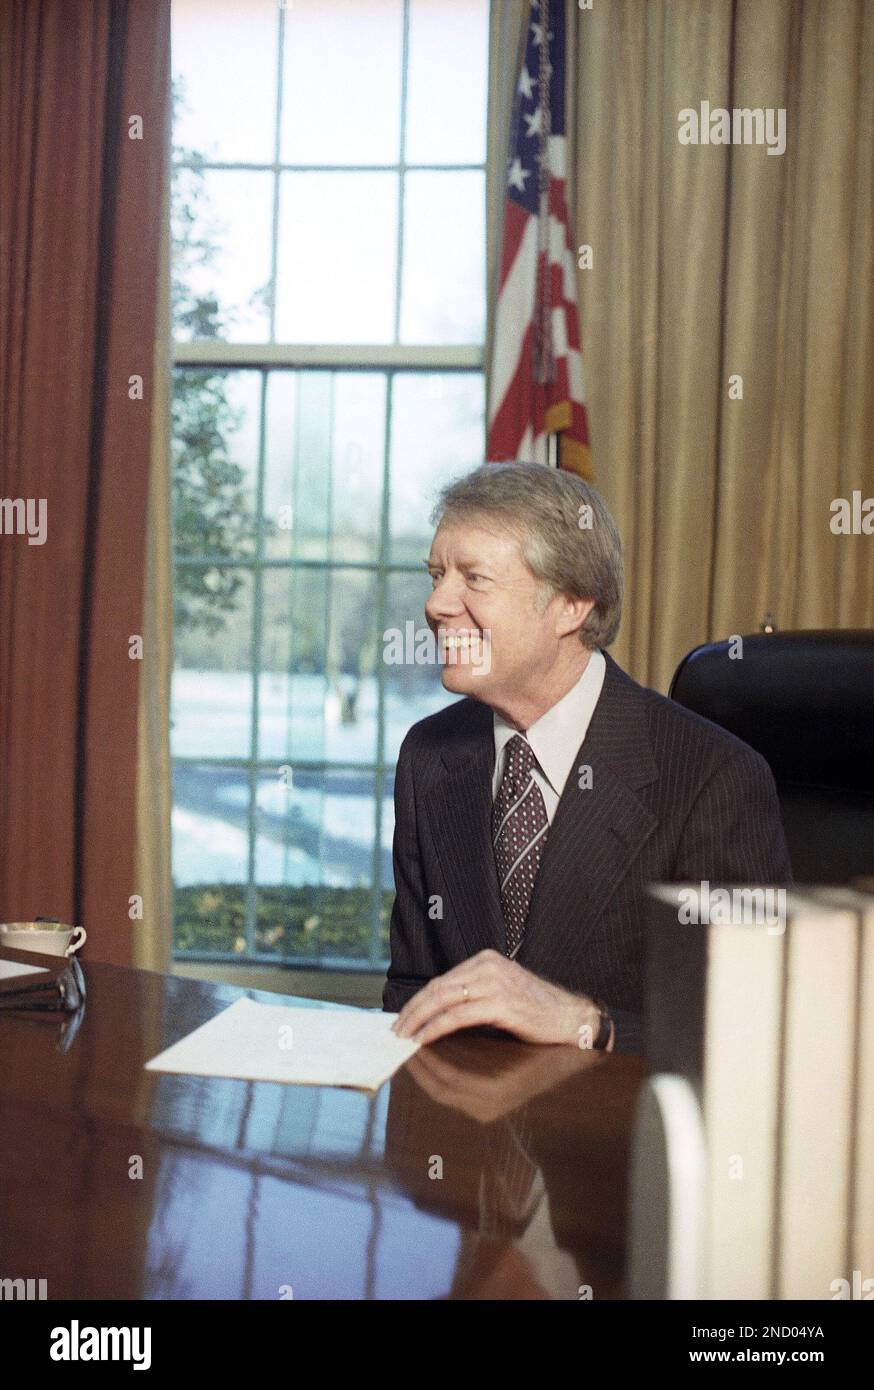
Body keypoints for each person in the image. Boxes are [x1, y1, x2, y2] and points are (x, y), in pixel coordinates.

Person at [384, 462, 791, 1050]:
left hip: (615, 1132)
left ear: (571, 605)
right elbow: (411, 990)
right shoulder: (430, 756)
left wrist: (588, 1024)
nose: (437, 604)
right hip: (457, 1128)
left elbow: (753, 1025)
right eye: (436, 575)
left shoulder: (715, 778)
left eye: (473, 579)